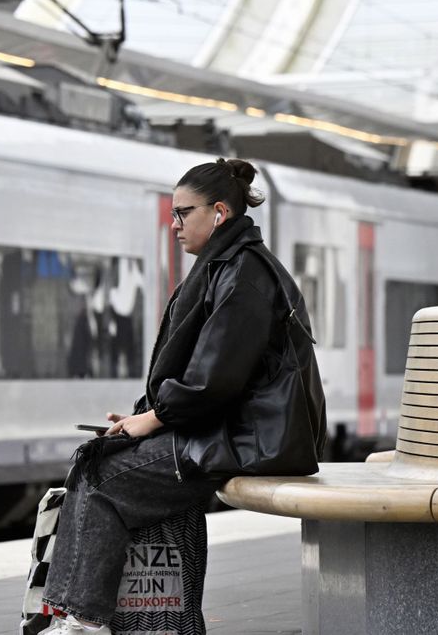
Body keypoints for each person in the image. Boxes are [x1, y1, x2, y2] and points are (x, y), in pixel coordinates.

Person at [38, 158, 327, 634]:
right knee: (103, 458)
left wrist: (154, 419)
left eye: (182, 213)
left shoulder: (243, 275)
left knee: (99, 474)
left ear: (218, 212)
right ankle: (91, 617)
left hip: (247, 441)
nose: (173, 225)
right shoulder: (228, 266)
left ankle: (84, 621)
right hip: (231, 430)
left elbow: (216, 379)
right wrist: (145, 417)